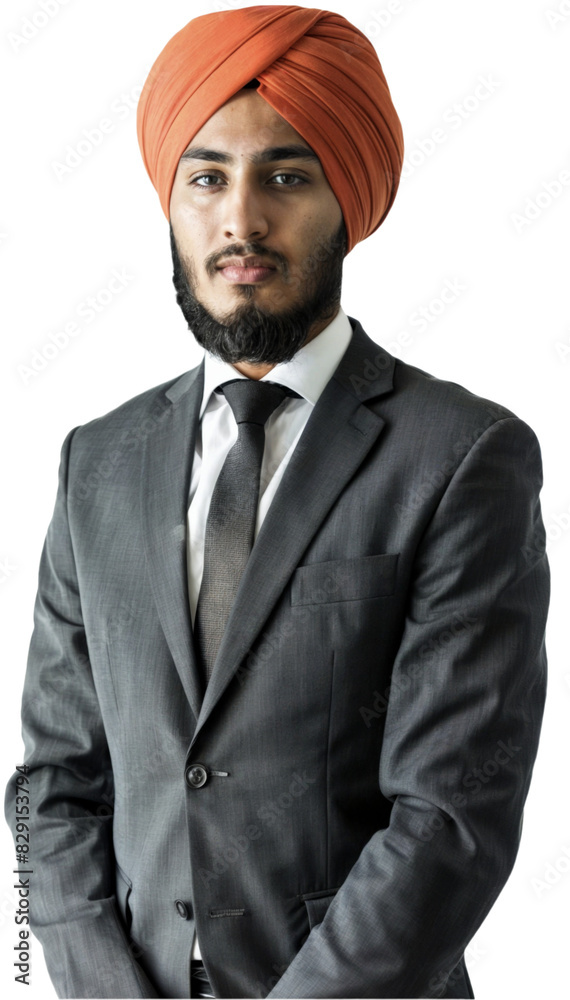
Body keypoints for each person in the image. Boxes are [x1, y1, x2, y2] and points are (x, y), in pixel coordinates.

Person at [5, 5, 549, 999]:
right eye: (207, 177)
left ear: (348, 197)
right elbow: (51, 790)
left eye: (286, 176)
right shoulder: (98, 464)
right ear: (171, 202)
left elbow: (449, 817)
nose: (241, 219)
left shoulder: (463, 458)